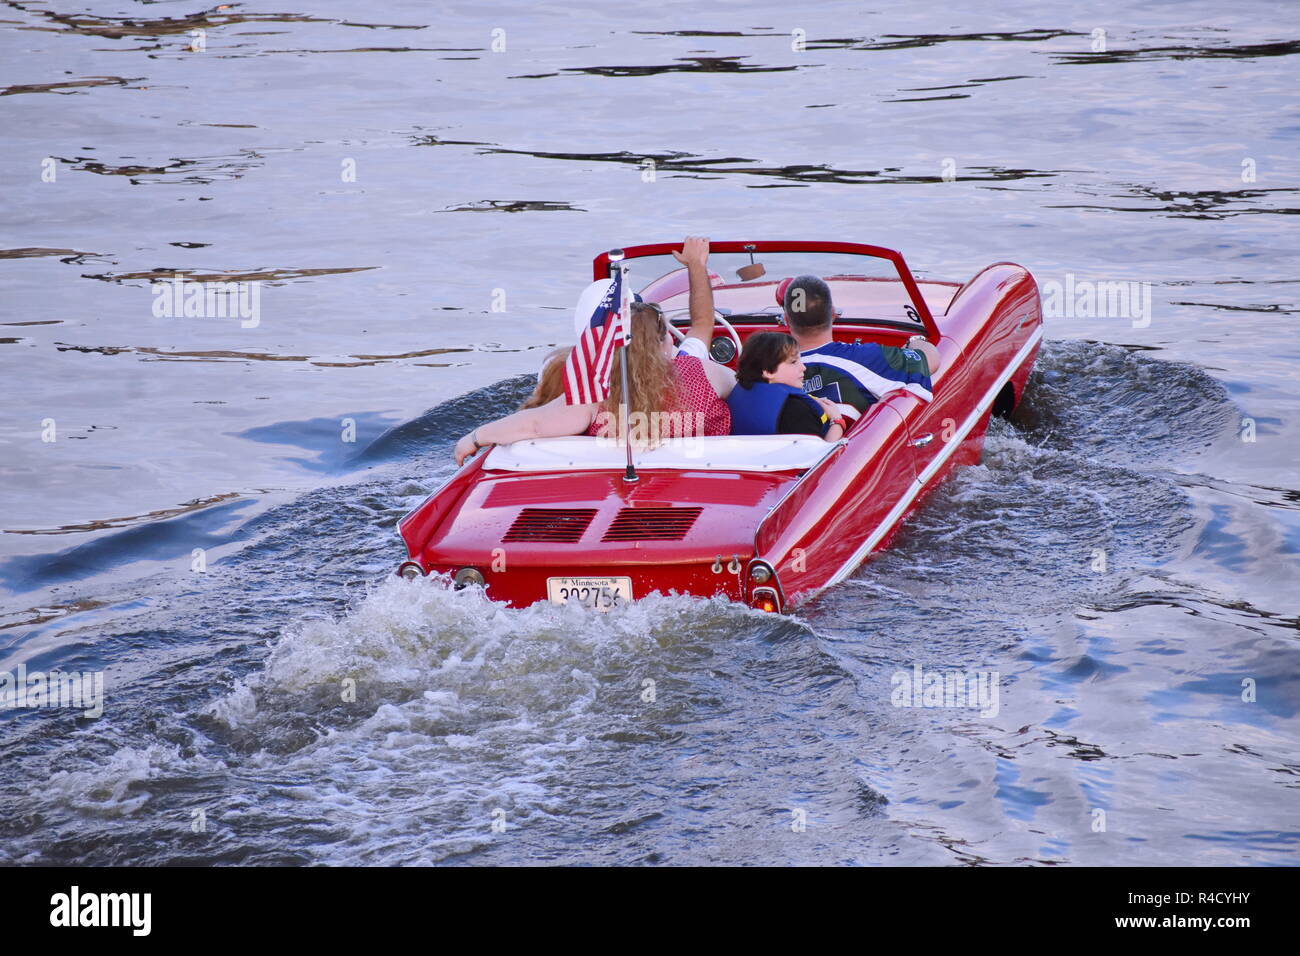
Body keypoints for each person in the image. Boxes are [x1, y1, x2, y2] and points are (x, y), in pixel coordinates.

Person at [453, 237, 730, 466]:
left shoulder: (591, 386)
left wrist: (475, 437)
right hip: (704, 473)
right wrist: (696, 264)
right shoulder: (703, 372)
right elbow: (709, 332)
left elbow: (534, 425)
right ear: (664, 341)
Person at [782, 275, 941, 416]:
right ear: (833, 314)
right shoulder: (867, 358)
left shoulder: (768, 369)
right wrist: (916, 341)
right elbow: (931, 360)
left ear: (786, 320)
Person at [727, 332, 844, 442]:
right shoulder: (796, 410)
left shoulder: (737, 394)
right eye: (793, 362)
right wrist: (837, 421)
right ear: (768, 371)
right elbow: (822, 455)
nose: (803, 367)